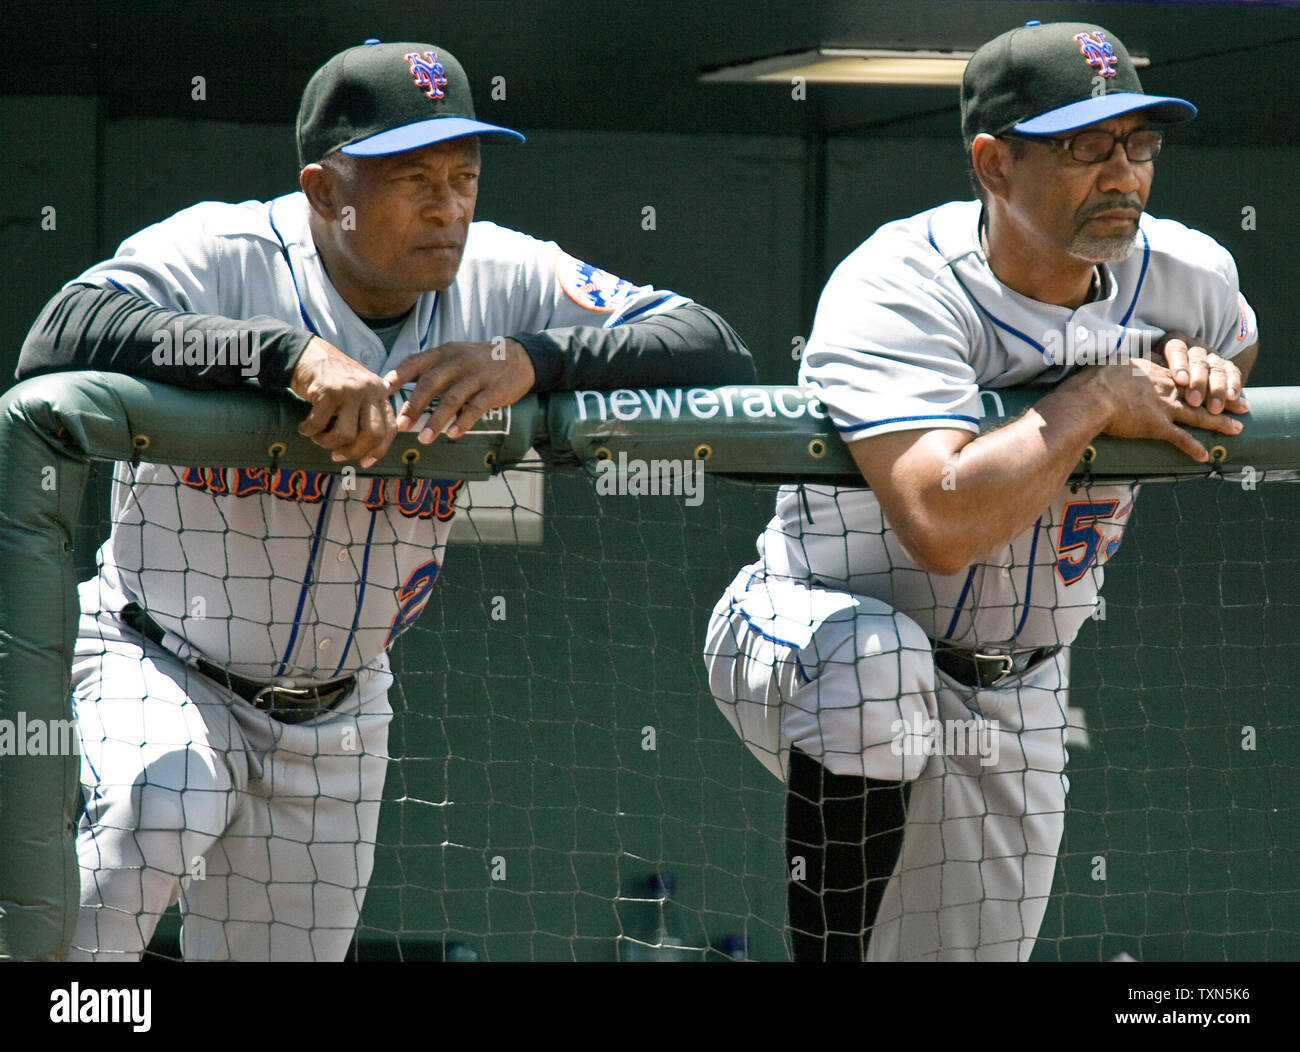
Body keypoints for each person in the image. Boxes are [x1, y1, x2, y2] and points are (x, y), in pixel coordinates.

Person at [17, 39, 754, 961]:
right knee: (156, 812)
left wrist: (533, 357)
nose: (449, 208)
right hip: (161, 659)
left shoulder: (500, 274)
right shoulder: (225, 249)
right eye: (415, 179)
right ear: (326, 190)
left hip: (340, 711)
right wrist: (280, 357)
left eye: (464, 175)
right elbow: (62, 334)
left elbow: (714, 346)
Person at [703, 19, 1257, 961]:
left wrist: (1199, 369)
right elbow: (942, 522)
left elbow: (1238, 346)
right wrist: (1094, 397)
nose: (1122, 173)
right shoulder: (897, 284)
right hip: (814, 626)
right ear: (994, 164)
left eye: (1139, 144)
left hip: (1019, 686)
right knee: (874, 669)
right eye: (1086, 146)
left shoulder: (1186, 277)